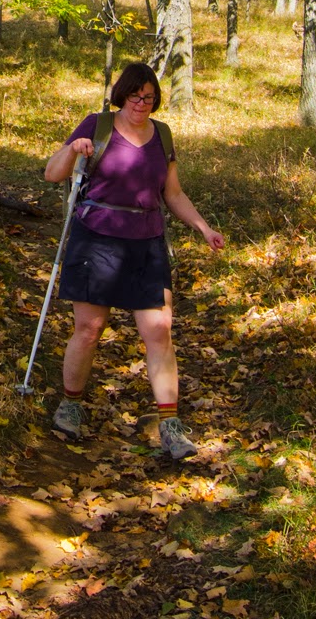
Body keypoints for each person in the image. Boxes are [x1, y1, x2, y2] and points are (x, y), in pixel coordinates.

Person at [43, 62, 224, 460]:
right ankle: (71, 403)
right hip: (96, 239)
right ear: (121, 95)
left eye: (149, 97)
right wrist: (73, 148)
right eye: (135, 96)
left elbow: (172, 193)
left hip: (147, 242)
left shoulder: (162, 135)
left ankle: (170, 426)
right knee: (89, 329)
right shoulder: (97, 125)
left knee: (159, 330)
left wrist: (203, 228)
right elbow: (51, 173)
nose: (142, 103)